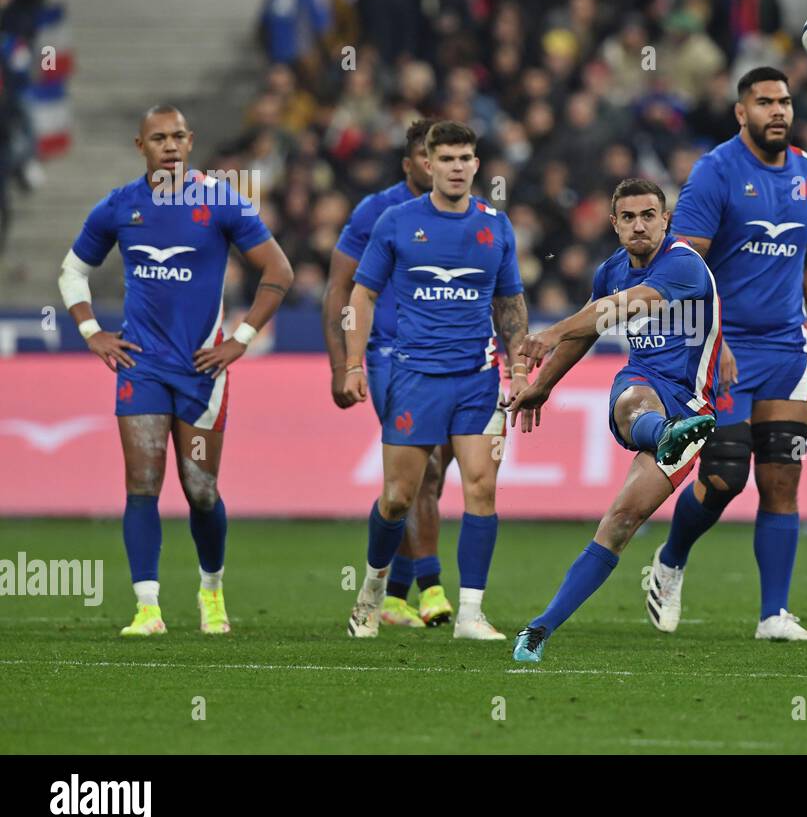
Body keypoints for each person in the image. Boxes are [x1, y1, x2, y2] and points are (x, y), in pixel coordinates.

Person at [58, 104, 294, 636]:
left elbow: (279, 269)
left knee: (201, 489)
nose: (170, 145)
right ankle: (148, 608)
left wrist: (241, 339)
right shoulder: (119, 206)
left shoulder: (221, 202)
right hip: (141, 366)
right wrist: (92, 332)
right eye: (159, 137)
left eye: (179, 137)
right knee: (142, 485)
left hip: (202, 370)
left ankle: (211, 591)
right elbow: (73, 272)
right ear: (139, 146)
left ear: (191, 144)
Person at [644, 67, 807, 642]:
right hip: (724, 350)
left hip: (787, 351)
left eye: (784, 101)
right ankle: (670, 560)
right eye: (764, 103)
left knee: (783, 479)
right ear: (742, 113)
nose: (778, 111)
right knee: (725, 476)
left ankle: (773, 616)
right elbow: (685, 266)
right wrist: (717, 340)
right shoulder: (715, 172)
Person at [508, 178, 720, 662]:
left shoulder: (683, 263)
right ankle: (538, 631)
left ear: (666, 221)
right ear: (614, 223)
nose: (639, 225)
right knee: (632, 403)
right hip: (643, 385)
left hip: (691, 403)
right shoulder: (610, 271)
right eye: (629, 217)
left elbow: (624, 307)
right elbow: (591, 328)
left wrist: (549, 331)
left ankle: (542, 626)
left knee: (621, 521)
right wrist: (543, 385)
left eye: (649, 215)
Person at [341, 121, 528, 641]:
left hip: (477, 379)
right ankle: (374, 590)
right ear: (427, 162)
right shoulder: (398, 222)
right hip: (416, 377)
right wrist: (354, 363)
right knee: (399, 497)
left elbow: (509, 302)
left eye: (465, 158)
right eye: (446, 159)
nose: (457, 167)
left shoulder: (496, 226)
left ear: (476, 163)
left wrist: (517, 368)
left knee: (481, 489)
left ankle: (470, 614)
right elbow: (363, 296)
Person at [324, 118, 452, 628]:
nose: (435, 164)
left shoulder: (469, 217)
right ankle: (433, 587)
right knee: (423, 469)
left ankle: (390, 594)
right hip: (389, 354)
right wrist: (343, 363)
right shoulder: (376, 211)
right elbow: (339, 288)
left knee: (425, 478)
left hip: (450, 357)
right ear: (410, 164)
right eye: (427, 156)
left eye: (443, 156)